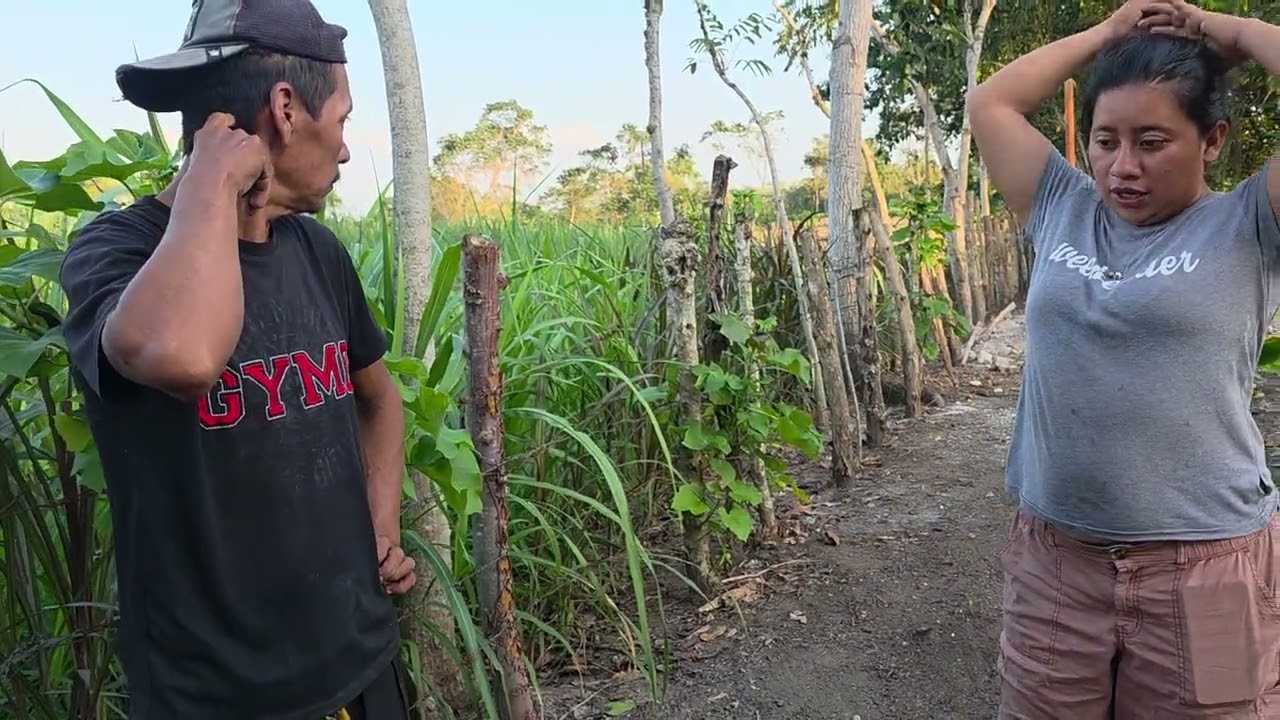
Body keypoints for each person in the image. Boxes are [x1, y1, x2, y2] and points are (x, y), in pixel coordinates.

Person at [58, 0, 418, 717]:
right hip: (219, 697)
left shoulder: (318, 253)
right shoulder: (114, 256)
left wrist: (381, 525)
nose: (345, 149)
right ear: (285, 108)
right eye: (342, 119)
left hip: (360, 662)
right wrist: (212, 183)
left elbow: (379, 401)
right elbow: (184, 355)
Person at [967, 0, 1280, 716]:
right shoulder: (1060, 206)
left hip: (1212, 572)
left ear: (1213, 140)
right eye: (1105, 141)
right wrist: (1106, 36)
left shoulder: (1249, 222)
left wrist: (1232, 34)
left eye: (1152, 141)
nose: (1122, 167)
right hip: (1057, 567)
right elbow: (989, 101)